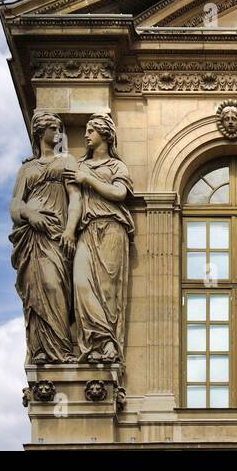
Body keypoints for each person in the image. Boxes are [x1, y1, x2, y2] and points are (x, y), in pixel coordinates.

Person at [8, 111, 79, 364]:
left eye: (59, 128)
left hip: (56, 234)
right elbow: (16, 204)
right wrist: (29, 214)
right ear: (40, 132)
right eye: (53, 128)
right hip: (32, 235)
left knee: (54, 286)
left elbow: (75, 200)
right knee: (35, 292)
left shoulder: (67, 161)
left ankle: (61, 349)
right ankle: (42, 350)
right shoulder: (26, 169)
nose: (58, 133)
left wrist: (70, 230)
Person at [70, 114, 134, 364]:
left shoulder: (117, 167)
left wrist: (90, 181)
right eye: (85, 130)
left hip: (112, 228)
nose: (86, 135)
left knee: (108, 290)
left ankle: (107, 343)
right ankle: (92, 341)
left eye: (90, 131)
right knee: (81, 284)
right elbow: (74, 201)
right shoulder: (80, 166)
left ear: (104, 135)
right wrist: (68, 230)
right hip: (87, 230)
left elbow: (119, 192)